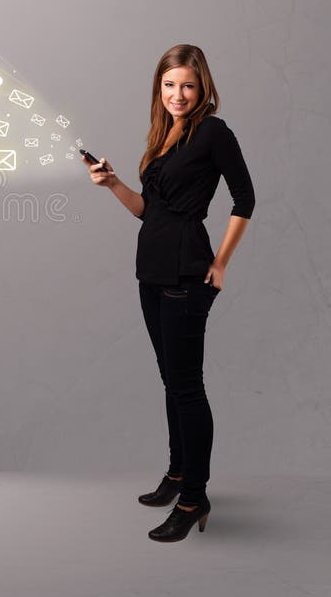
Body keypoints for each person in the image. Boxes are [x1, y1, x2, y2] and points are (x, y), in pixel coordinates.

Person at [82, 44, 255, 543]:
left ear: (203, 89)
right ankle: (178, 474)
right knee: (170, 380)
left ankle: (195, 497)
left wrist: (220, 262)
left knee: (186, 386)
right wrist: (113, 183)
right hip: (151, 272)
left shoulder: (213, 132)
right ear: (159, 88)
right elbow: (149, 211)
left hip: (186, 274)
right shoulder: (163, 135)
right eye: (169, 85)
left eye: (187, 86)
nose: (177, 94)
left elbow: (245, 197)